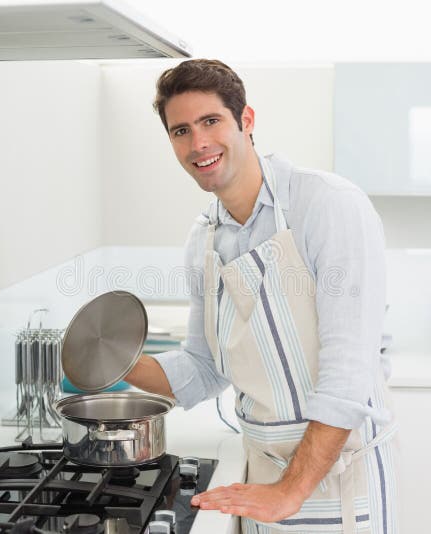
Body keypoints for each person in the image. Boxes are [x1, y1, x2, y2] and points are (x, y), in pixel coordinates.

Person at [125, 59, 398, 534]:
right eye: (181, 131)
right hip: (262, 480)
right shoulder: (204, 238)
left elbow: (349, 368)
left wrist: (290, 491)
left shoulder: (327, 205)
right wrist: (112, 360)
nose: (199, 144)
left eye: (211, 122)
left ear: (246, 121)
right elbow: (204, 367)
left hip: (338, 478)